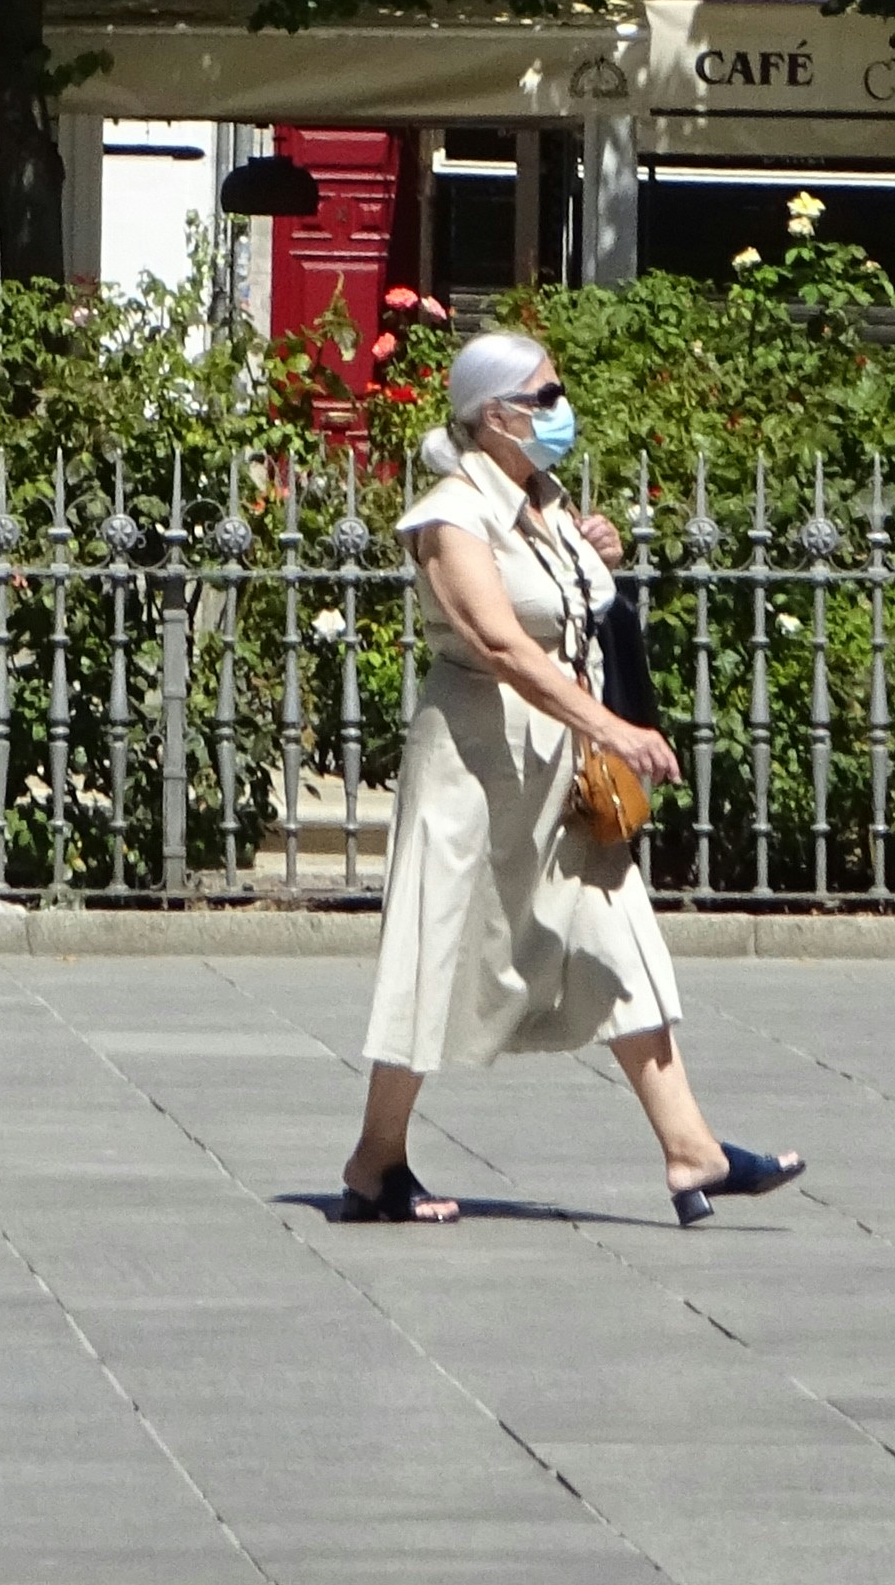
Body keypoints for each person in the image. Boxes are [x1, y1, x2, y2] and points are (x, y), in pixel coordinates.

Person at [339, 324, 806, 1228]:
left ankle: (691, 1151)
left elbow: (574, 607)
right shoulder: (449, 514)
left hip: (564, 772)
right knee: (440, 951)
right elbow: (498, 642)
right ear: (494, 415)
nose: (561, 411)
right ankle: (375, 1160)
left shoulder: (544, 501)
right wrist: (618, 730)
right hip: (477, 765)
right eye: (545, 398)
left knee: (618, 935)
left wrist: (602, 552)